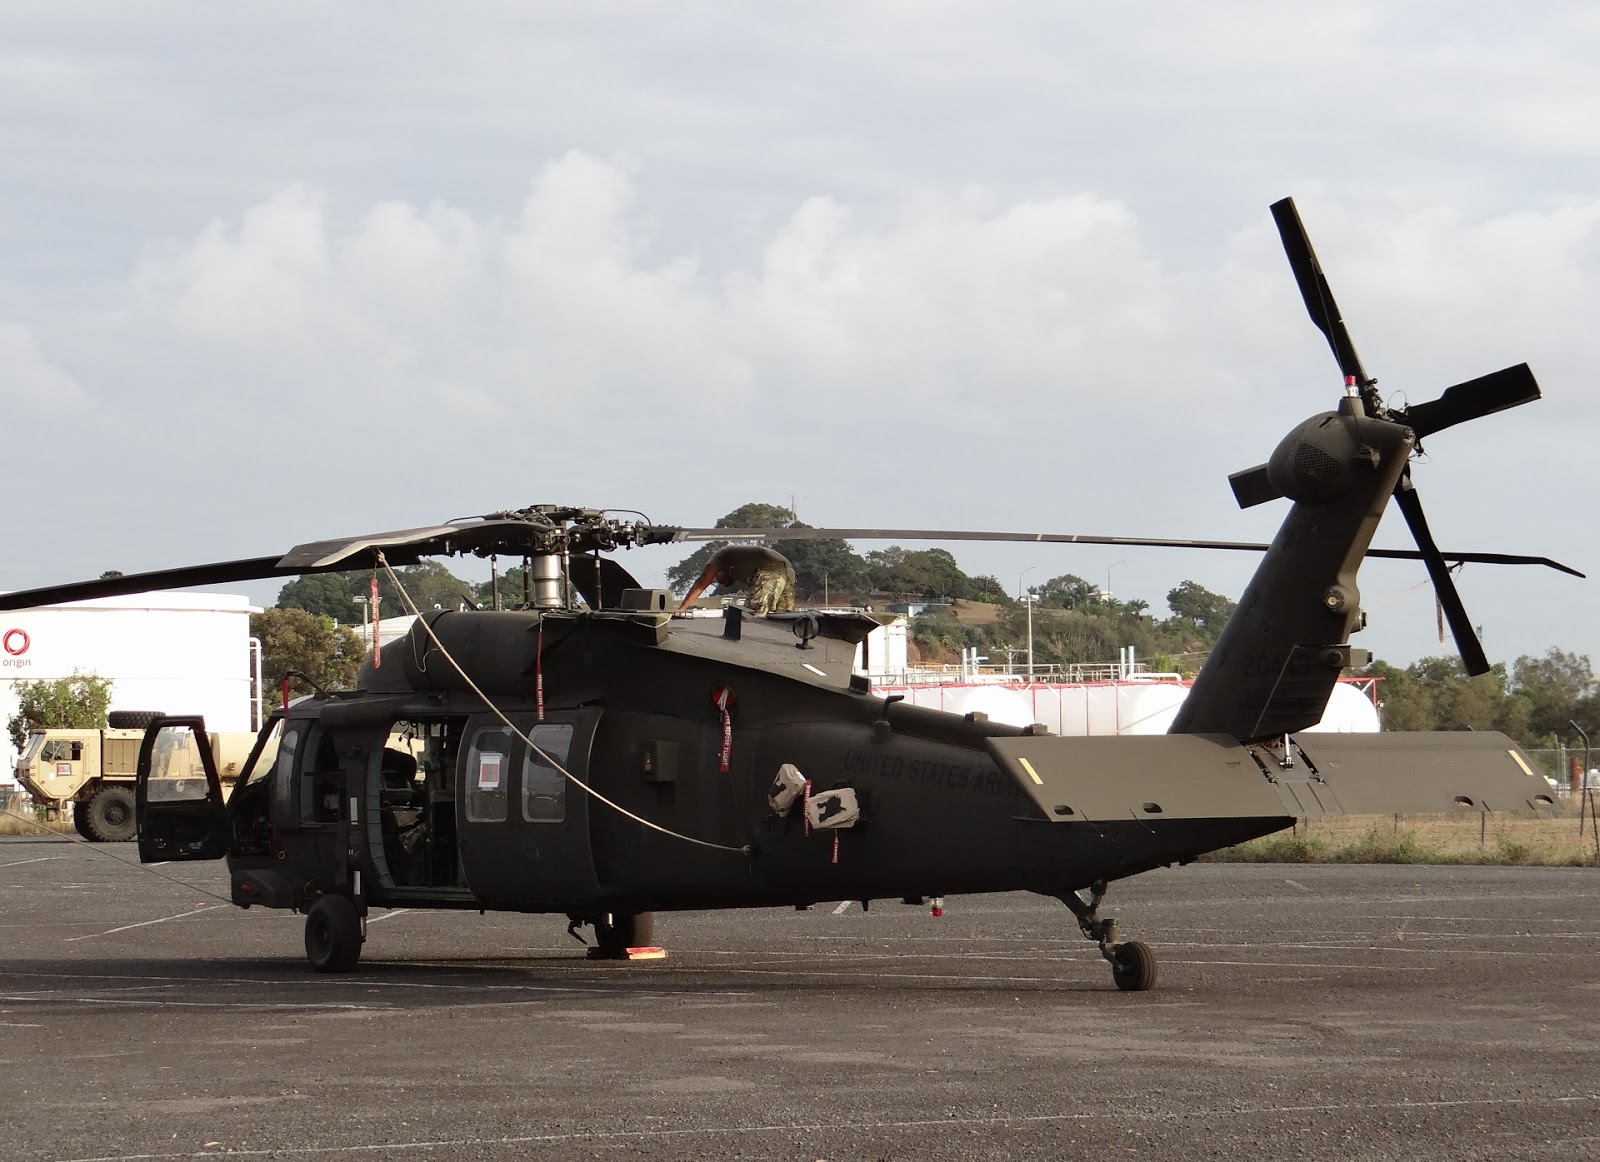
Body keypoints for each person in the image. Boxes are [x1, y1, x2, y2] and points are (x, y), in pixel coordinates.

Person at [675, 545, 796, 616]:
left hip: (770, 570)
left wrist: (681, 609)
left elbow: (701, 583)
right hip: (787, 569)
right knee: (782, 616)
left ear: (719, 570)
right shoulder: (741, 565)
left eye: (718, 579)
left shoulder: (719, 557)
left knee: (752, 616)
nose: (722, 583)